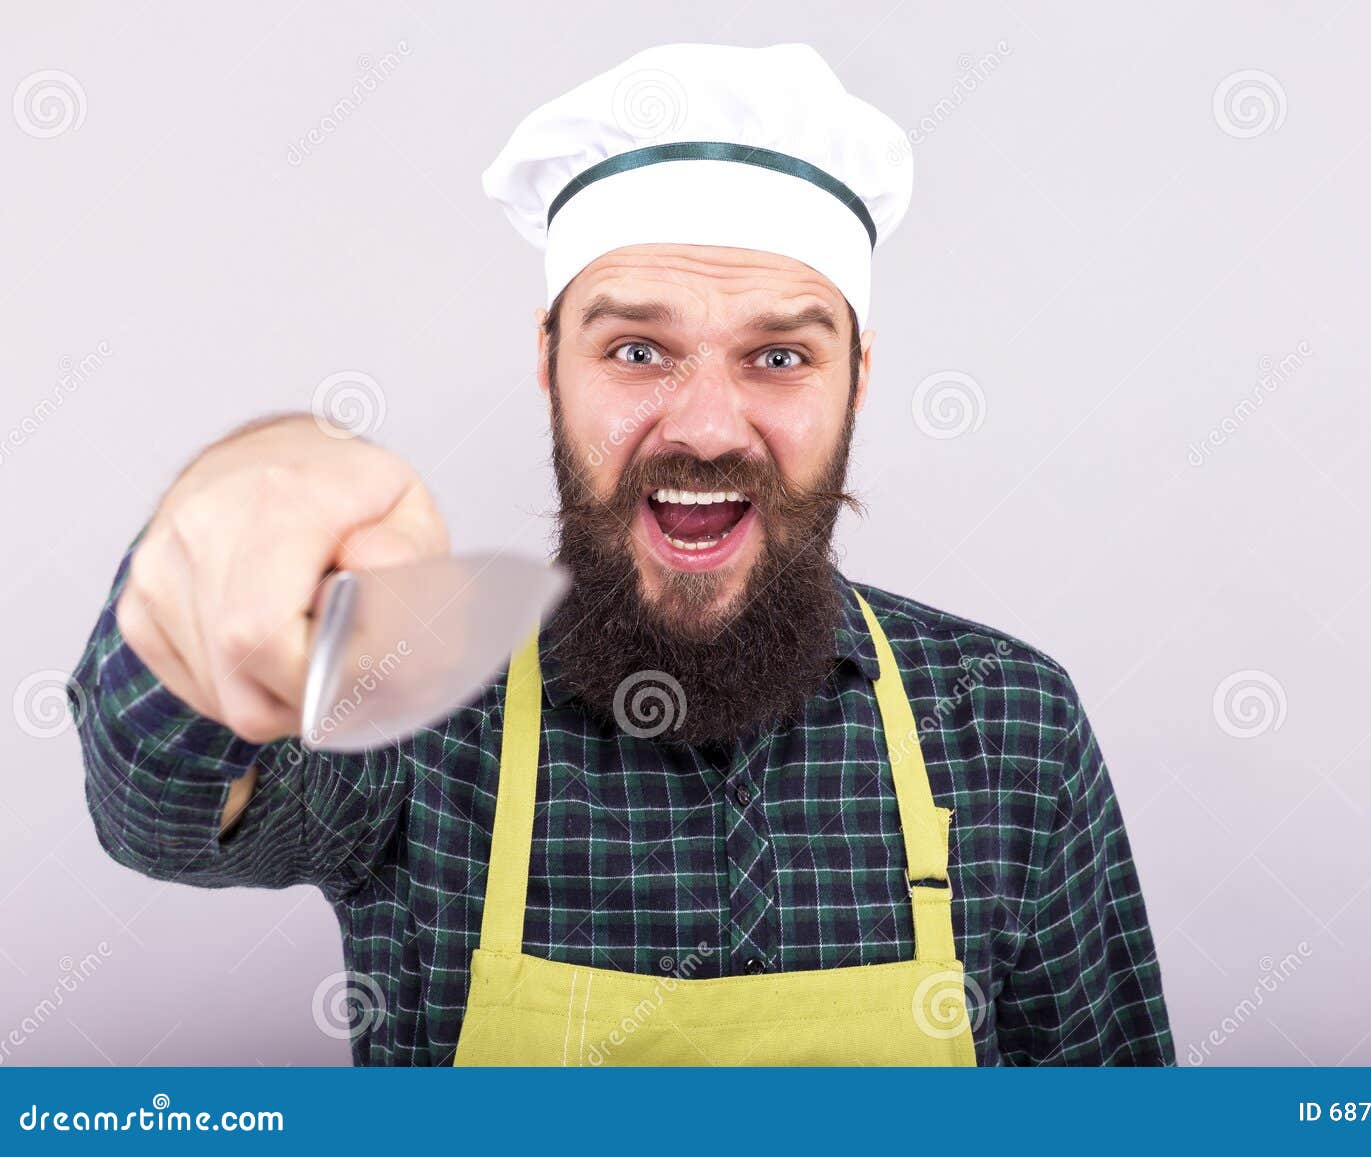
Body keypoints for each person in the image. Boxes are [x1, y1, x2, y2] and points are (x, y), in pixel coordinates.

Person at [71, 42, 1174, 1066]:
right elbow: (163, 814)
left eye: (779, 354)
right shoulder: (425, 700)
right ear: (551, 363)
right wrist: (204, 556)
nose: (704, 425)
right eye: (637, 349)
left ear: (858, 379)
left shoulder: (1008, 721)